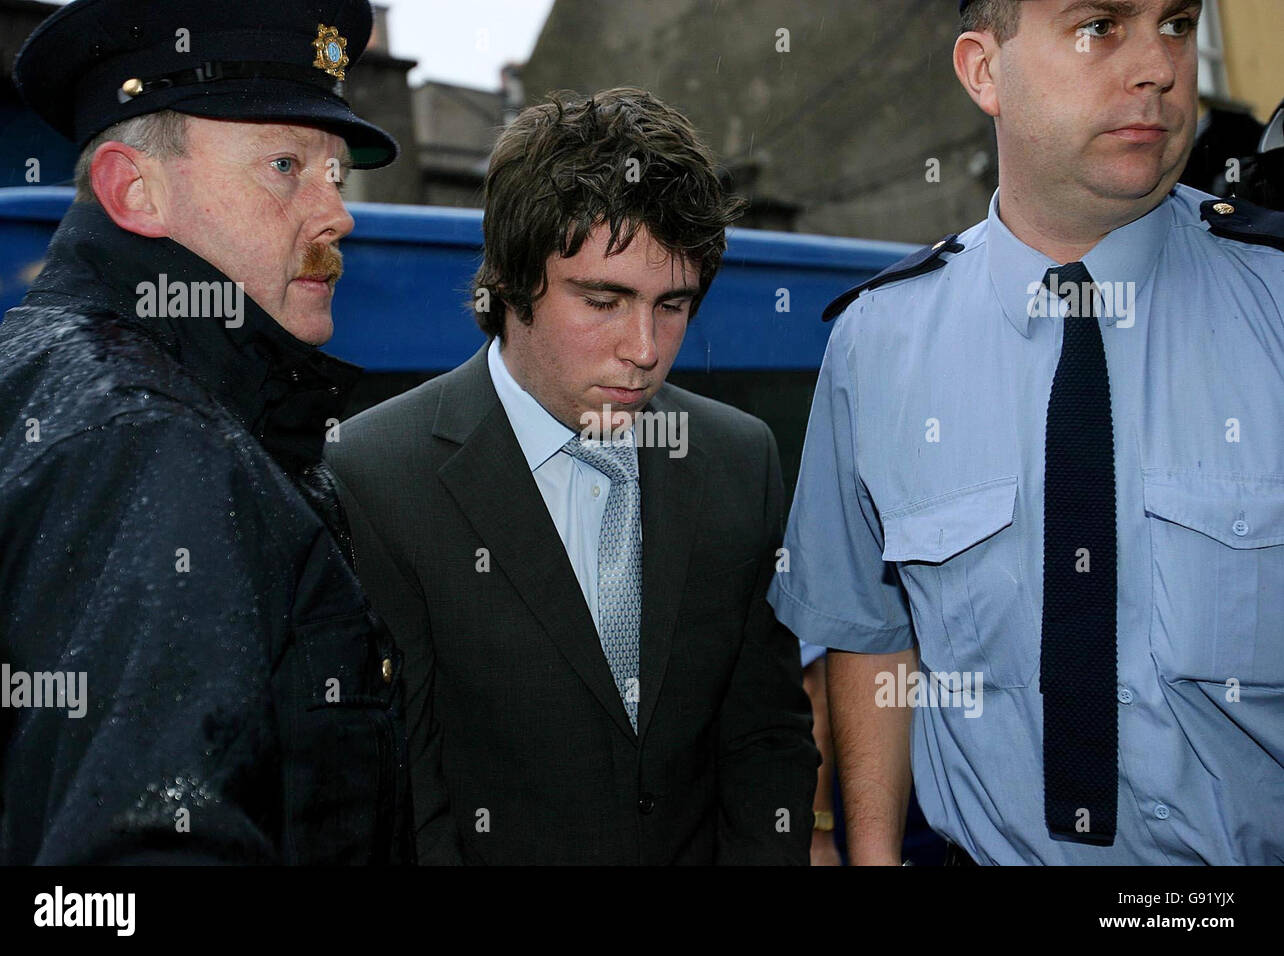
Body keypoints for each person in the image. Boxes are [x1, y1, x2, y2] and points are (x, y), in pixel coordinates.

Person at [770, 0, 1284, 865]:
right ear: (984, 70)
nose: (1157, 66)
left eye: (1176, 23)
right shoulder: (880, 343)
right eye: (1100, 26)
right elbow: (868, 633)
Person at [327, 88, 819, 865]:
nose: (646, 347)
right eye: (604, 299)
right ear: (515, 283)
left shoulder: (737, 458)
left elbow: (766, 740)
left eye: (673, 305)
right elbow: (407, 800)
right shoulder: (377, 474)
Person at [0, 0, 408, 864]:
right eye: (286, 165)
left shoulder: (62, 372)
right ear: (133, 191)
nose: (339, 218)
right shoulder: (155, 440)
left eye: (337, 174)